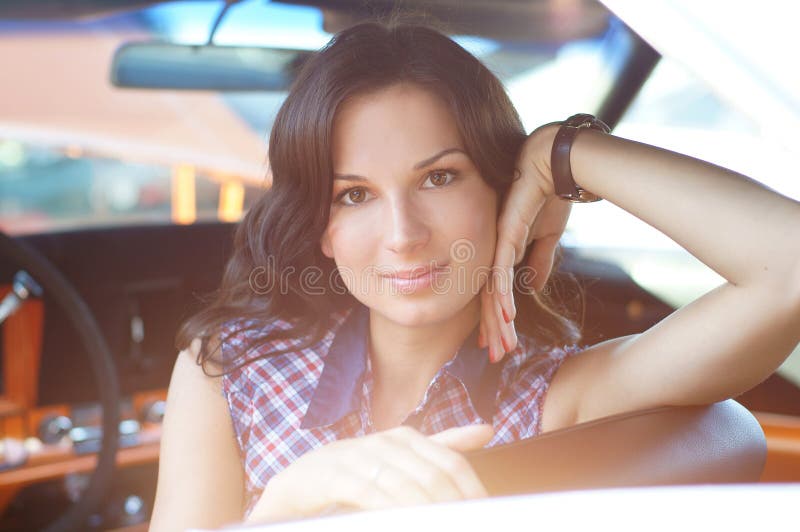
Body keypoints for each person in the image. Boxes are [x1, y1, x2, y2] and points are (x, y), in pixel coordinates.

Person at [148, 21, 800, 531]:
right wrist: (284, 509)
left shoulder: (561, 399)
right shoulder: (233, 371)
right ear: (320, 226)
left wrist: (564, 154)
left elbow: (789, 270)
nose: (403, 235)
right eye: (354, 195)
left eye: (439, 177)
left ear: (499, 189)